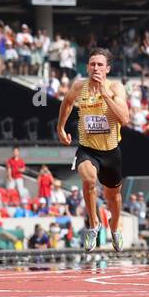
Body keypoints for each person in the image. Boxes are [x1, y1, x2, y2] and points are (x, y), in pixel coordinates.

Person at [55, 48, 131, 251]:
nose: (95, 68)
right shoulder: (79, 86)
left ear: (107, 68)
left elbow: (124, 119)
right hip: (87, 149)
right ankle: (93, 224)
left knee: (112, 196)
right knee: (88, 179)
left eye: (99, 65)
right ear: (87, 67)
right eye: (92, 64)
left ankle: (114, 228)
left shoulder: (115, 88)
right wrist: (61, 127)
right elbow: (67, 103)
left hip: (111, 151)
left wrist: (105, 95)